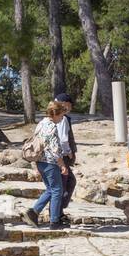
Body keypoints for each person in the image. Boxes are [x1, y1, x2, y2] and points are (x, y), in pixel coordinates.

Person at [23, 101, 69, 229]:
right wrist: (62, 165)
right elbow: (55, 150)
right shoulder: (52, 127)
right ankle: (54, 221)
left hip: (40, 162)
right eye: (61, 116)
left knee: (50, 189)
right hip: (50, 163)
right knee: (57, 191)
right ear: (55, 114)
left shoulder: (41, 123)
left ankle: (33, 212)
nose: (61, 119)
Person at [54, 91, 78, 219]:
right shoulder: (63, 118)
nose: (70, 108)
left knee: (64, 184)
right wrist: (69, 153)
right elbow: (63, 139)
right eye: (69, 104)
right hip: (62, 157)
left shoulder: (53, 117)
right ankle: (56, 213)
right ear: (63, 104)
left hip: (56, 156)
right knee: (65, 183)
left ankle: (58, 212)